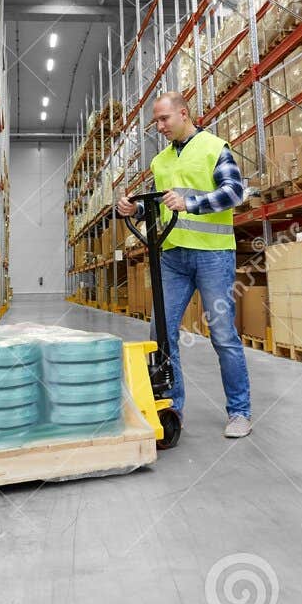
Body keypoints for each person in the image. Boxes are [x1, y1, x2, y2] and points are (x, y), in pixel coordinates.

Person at [116, 91, 251, 438]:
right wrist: (136, 209)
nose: (159, 126)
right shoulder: (160, 161)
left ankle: (239, 412)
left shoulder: (213, 148)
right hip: (173, 255)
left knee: (223, 335)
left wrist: (192, 205)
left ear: (184, 114)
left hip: (212, 254)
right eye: (156, 121)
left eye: (164, 119)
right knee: (161, 332)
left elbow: (235, 192)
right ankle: (171, 407)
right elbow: (162, 205)